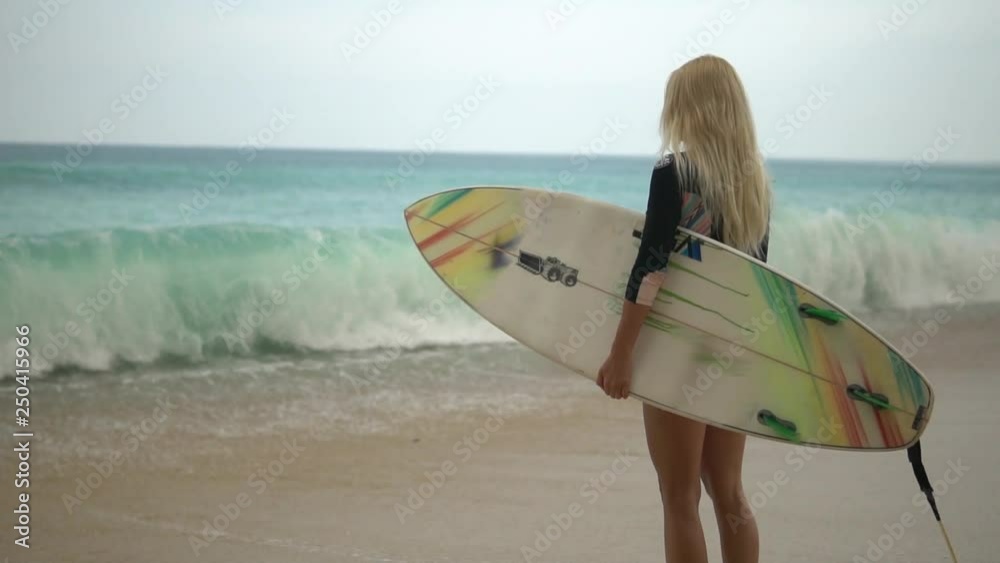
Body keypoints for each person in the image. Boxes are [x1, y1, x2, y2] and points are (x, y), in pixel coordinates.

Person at [597, 55, 772, 563]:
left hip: (680, 351)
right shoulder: (755, 184)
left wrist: (622, 352)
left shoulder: (674, 173)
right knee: (731, 495)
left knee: (680, 499)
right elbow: (757, 283)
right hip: (734, 349)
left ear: (690, 108)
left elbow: (651, 268)